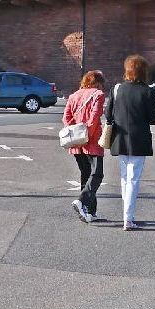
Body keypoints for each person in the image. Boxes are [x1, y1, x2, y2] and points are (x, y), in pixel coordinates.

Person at [104, 55, 155, 231]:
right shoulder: (148, 92)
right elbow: (154, 119)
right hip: (139, 138)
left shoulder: (116, 89)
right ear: (144, 71)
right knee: (133, 179)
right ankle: (128, 219)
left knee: (124, 177)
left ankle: (127, 214)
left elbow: (108, 114)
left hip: (120, 137)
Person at [64, 70, 107, 224]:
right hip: (92, 140)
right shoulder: (98, 95)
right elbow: (94, 118)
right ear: (98, 83)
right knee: (97, 174)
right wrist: (86, 135)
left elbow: (66, 118)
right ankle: (82, 201)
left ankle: (89, 212)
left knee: (85, 174)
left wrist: (76, 133)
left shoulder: (73, 96)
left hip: (76, 141)